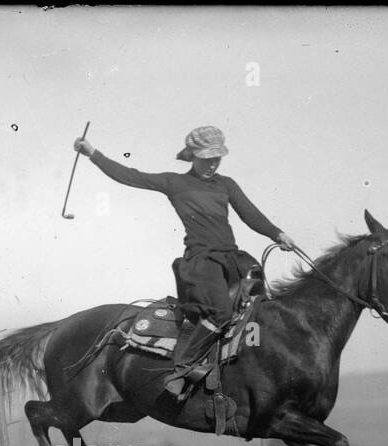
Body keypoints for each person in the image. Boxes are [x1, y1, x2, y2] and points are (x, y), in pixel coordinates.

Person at [74, 126, 298, 397]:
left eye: (216, 159)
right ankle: (183, 367)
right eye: (206, 159)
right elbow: (129, 176)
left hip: (232, 260)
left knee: (259, 308)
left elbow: (251, 214)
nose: (212, 165)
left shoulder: (226, 184)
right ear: (193, 156)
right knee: (221, 313)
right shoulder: (175, 183)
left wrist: (278, 234)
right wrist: (93, 154)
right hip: (201, 265)